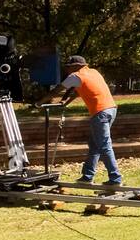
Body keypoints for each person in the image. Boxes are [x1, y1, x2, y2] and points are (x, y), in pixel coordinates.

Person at [46, 55, 123, 186]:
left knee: (104, 145)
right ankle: (87, 176)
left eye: (69, 67)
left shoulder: (75, 76)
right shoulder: (93, 72)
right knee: (95, 145)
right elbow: (78, 92)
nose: (67, 70)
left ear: (76, 66)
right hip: (111, 109)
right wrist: (66, 102)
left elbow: (56, 90)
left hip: (100, 112)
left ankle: (115, 178)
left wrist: (39, 102)